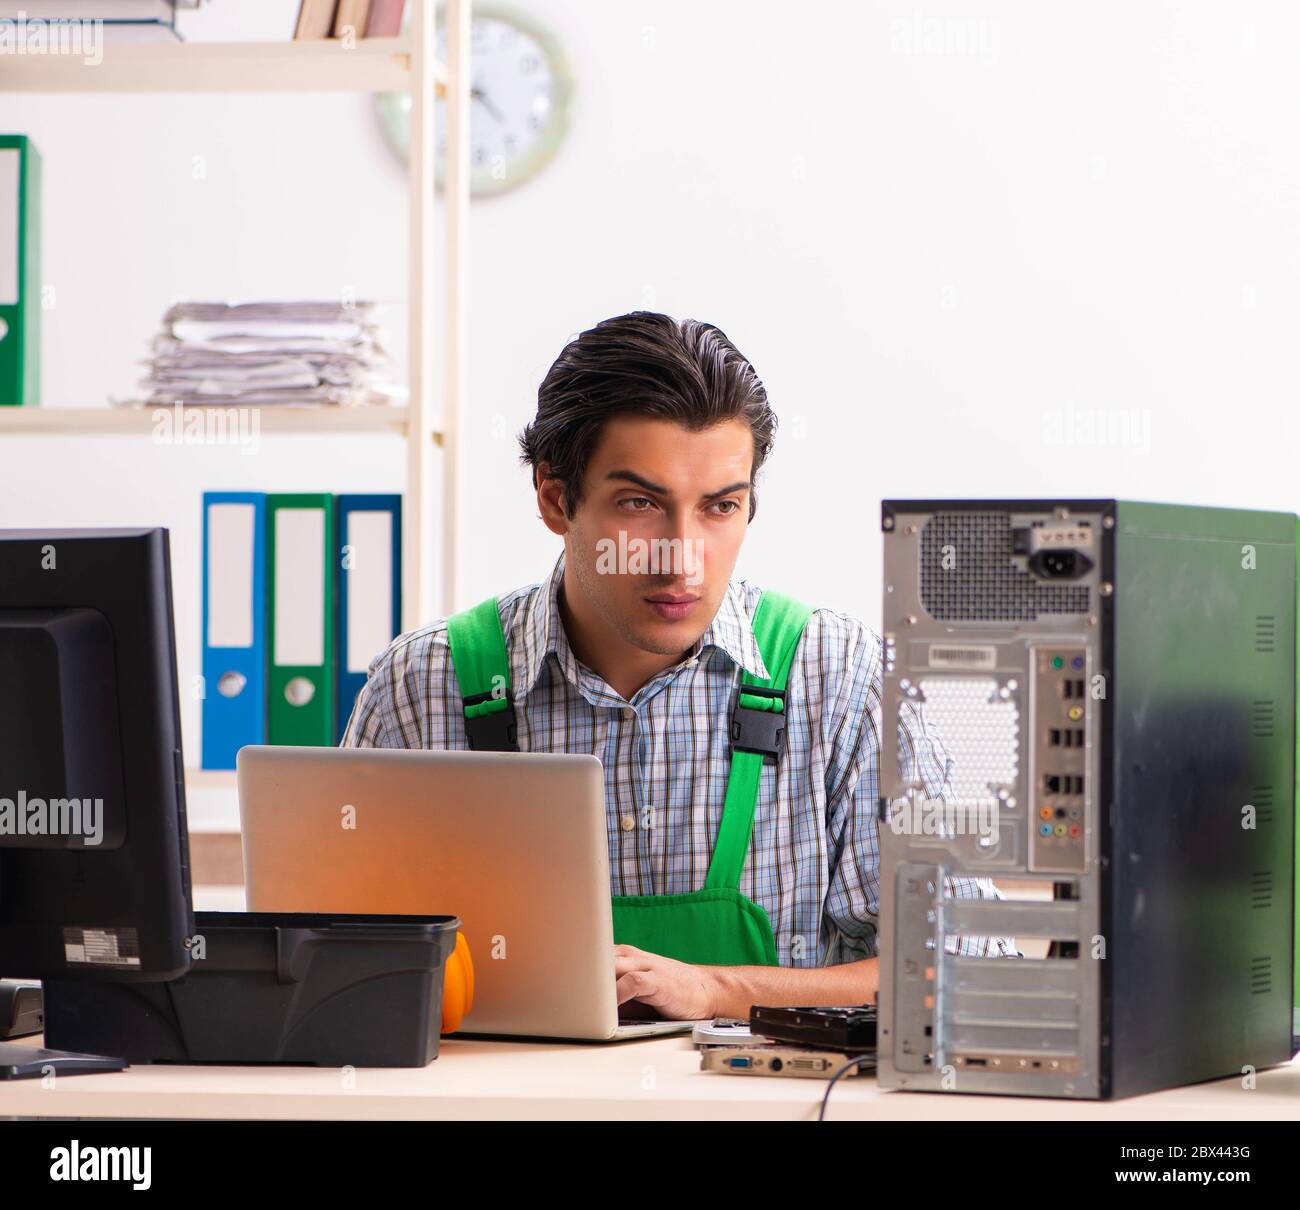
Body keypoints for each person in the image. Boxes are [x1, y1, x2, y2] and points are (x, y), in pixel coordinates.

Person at [343, 311, 1010, 1021]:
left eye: (720, 507)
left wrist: (721, 989)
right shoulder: (424, 688)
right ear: (555, 499)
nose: (682, 557)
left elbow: (967, 969)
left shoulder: (840, 681)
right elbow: (342, 974)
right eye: (640, 503)